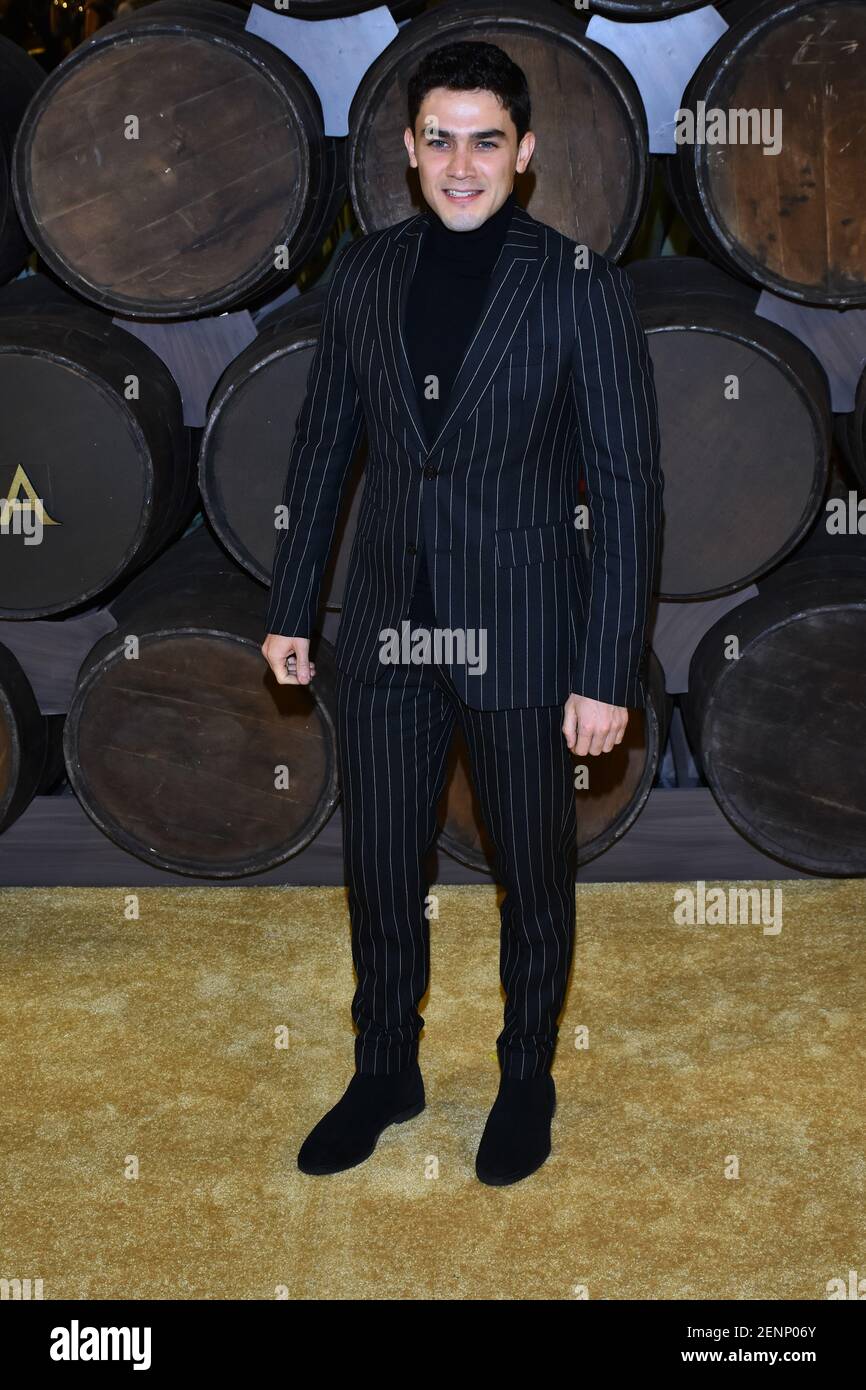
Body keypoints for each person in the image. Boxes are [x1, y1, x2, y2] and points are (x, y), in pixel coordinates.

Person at [261, 41, 663, 1186]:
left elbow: (626, 490)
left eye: (485, 140)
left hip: (526, 633)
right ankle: (384, 1068)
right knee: (381, 866)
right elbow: (322, 446)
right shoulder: (366, 272)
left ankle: (525, 1075)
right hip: (389, 628)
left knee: (530, 872)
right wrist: (292, 604)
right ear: (406, 148)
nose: (459, 163)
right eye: (438, 138)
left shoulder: (580, 284)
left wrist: (605, 669)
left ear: (523, 153)